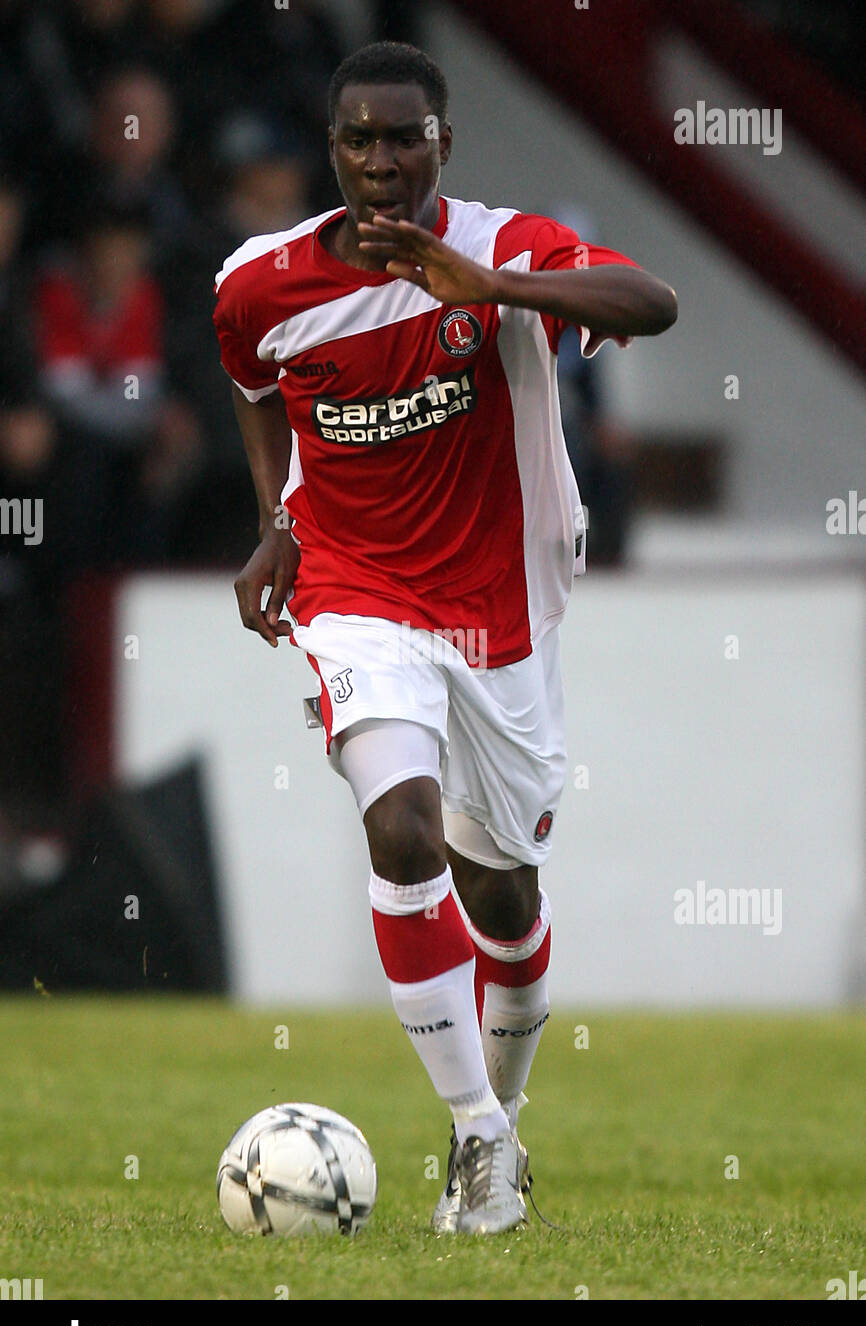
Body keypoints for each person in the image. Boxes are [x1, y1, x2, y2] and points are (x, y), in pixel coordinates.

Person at [214, 41, 677, 1235]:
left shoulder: (504, 244)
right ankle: (476, 1135)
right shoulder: (261, 283)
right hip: (354, 593)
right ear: (333, 149)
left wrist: (494, 291)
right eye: (358, 139)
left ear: (443, 143)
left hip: (499, 613)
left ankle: (500, 1122)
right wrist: (274, 521)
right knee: (399, 826)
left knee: (504, 895)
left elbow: (651, 301)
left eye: (403, 137)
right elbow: (256, 389)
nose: (381, 161)